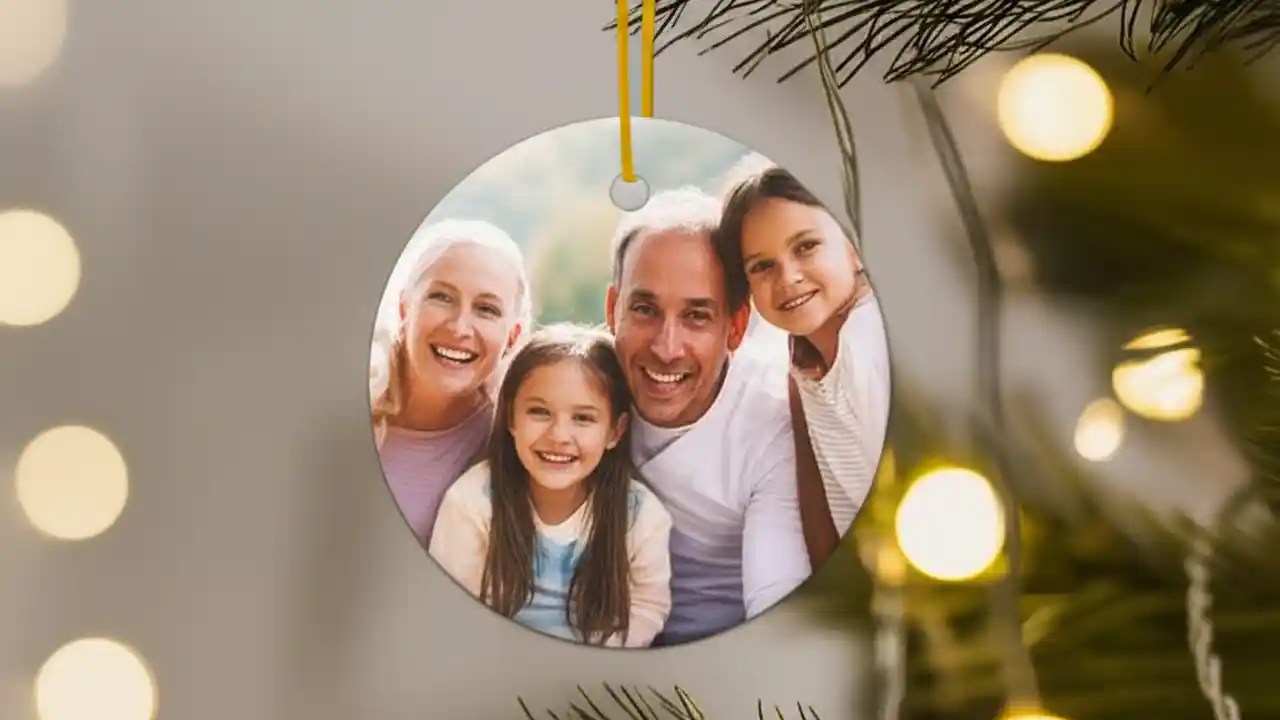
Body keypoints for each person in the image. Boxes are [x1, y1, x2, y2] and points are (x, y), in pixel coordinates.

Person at [604, 187, 811, 646]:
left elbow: (777, 595)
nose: (666, 348)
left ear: (735, 328)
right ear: (612, 310)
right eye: (645, 310)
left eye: (696, 316)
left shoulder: (773, 423)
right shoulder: (580, 390)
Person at [428, 324, 674, 647]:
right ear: (511, 418)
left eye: (583, 418)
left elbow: (647, 606)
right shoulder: (472, 501)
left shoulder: (642, 517)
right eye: (539, 412)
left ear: (615, 431)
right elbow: (450, 606)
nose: (559, 436)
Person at [716, 165, 891, 566]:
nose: (788, 277)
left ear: (854, 245)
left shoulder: (872, 344)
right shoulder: (801, 364)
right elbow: (821, 520)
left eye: (806, 246)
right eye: (762, 266)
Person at [369, 218, 532, 546]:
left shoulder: (516, 441)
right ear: (405, 308)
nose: (460, 328)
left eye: (486, 309)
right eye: (442, 297)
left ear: (512, 336)